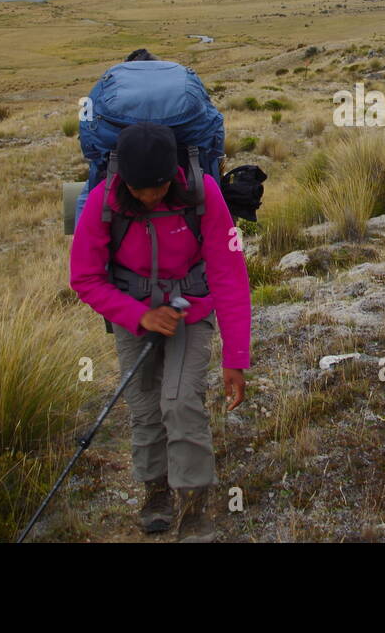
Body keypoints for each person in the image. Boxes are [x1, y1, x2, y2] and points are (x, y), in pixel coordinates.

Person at [69, 122, 251, 541]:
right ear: (122, 180)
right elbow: (85, 278)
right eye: (139, 190)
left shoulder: (203, 194)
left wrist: (236, 358)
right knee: (145, 406)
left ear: (174, 175)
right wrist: (138, 315)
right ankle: (156, 492)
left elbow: (229, 275)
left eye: (158, 187)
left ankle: (193, 507)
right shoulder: (104, 202)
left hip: (191, 310)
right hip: (133, 315)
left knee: (181, 400)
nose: (150, 197)